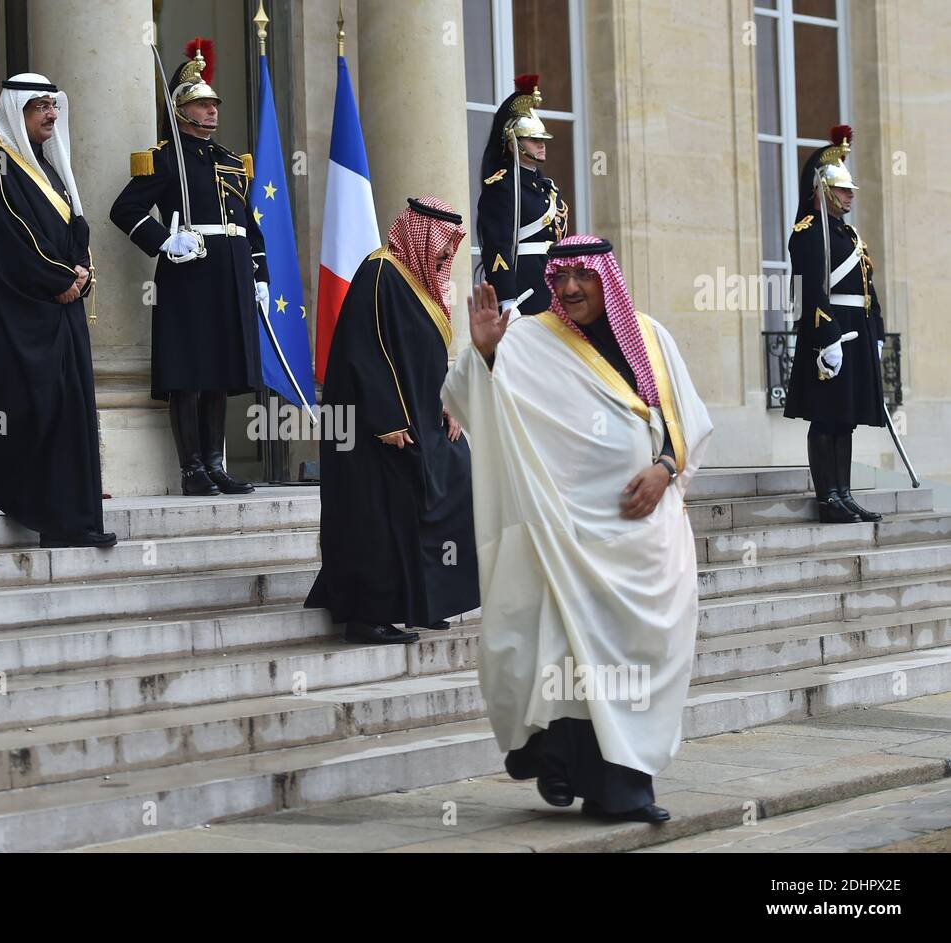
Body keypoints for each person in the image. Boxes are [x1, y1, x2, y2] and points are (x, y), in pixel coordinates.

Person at [442, 235, 714, 824]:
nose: (568, 288)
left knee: (639, 658)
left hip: (644, 537)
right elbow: (467, 401)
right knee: (570, 653)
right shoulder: (530, 339)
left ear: (606, 278)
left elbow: (687, 422)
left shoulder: (650, 338)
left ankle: (606, 777)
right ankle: (586, 777)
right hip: (564, 538)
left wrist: (665, 471)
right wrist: (486, 353)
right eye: (559, 277)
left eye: (581, 277)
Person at [0, 73, 114, 549]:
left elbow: (76, 228)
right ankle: (51, 515)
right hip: (15, 313)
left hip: (59, 310)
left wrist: (80, 274)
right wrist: (58, 280)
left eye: (53, 105)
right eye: (39, 107)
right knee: (34, 408)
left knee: (69, 409)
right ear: (16, 111)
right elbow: (7, 241)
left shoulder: (46, 167)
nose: (52, 114)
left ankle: (73, 520)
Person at [304, 197, 479, 645]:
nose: (445, 256)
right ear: (420, 234)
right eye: (441, 246)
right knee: (380, 515)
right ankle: (368, 615)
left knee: (457, 477)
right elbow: (362, 352)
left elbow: (426, 355)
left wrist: (450, 401)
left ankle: (429, 598)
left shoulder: (420, 280)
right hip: (376, 426)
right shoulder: (379, 273)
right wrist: (386, 418)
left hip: (422, 415)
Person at [110, 38, 267, 497]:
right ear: (181, 109)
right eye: (201, 104)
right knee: (190, 371)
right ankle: (191, 468)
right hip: (190, 271)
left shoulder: (230, 162)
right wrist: (164, 241)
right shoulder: (164, 158)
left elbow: (248, 224)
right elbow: (125, 210)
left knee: (218, 370)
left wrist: (259, 274)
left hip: (231, 274)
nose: (212, 110)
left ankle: (216, 463)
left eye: (214, 103)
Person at [782, 126, 886, 524]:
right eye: (843, 190)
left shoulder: (850, 233)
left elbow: (867, 287)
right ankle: (828, 498)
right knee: (826, 416)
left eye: (850, 189)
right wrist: (827, 338)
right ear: (823, 189)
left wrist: (875, 332)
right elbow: (809, 290)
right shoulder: (809, 232)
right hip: (830, 332)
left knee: (847, 418)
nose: (850, 195)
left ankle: (844, 493)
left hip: (856, 330)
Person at [475, 74, 569, 317]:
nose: (541, 144)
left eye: (542, 139)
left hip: (554, 285)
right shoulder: (502, 186)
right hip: (525, 289)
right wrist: (507, 299)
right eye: (533, 139)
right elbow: (497, 246)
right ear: (512, 143)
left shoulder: (547, 188)